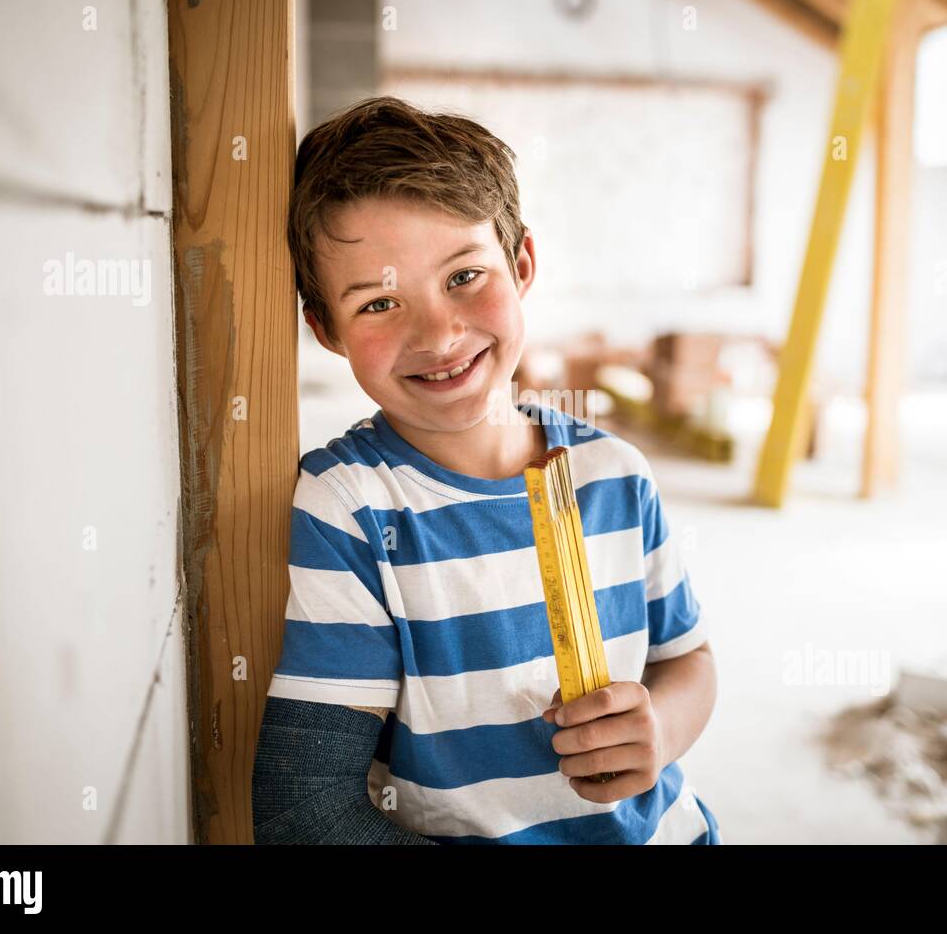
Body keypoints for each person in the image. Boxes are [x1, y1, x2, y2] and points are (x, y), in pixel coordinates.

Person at [251, 96, 721, 844]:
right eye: (378, 302)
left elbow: (687, 659)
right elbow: (302, 809)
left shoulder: (616, 474)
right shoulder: (351, 506)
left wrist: (658, 729)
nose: (439, 333)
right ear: (324, 329)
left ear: (522, 264)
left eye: (464, 276)